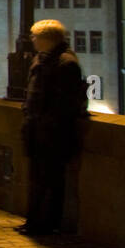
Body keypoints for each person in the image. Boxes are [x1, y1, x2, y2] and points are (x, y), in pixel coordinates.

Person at [19, 20, 88, 236]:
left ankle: (47, 224)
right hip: (37, 129)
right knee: (37, 179)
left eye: (35, 36)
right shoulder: (42, 59)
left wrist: (44, 122)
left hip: (53, 133)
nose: (32, 40)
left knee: (51, 180)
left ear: (47, 39)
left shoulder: (66, 63)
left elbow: (66, 103)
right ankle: (34, 221)